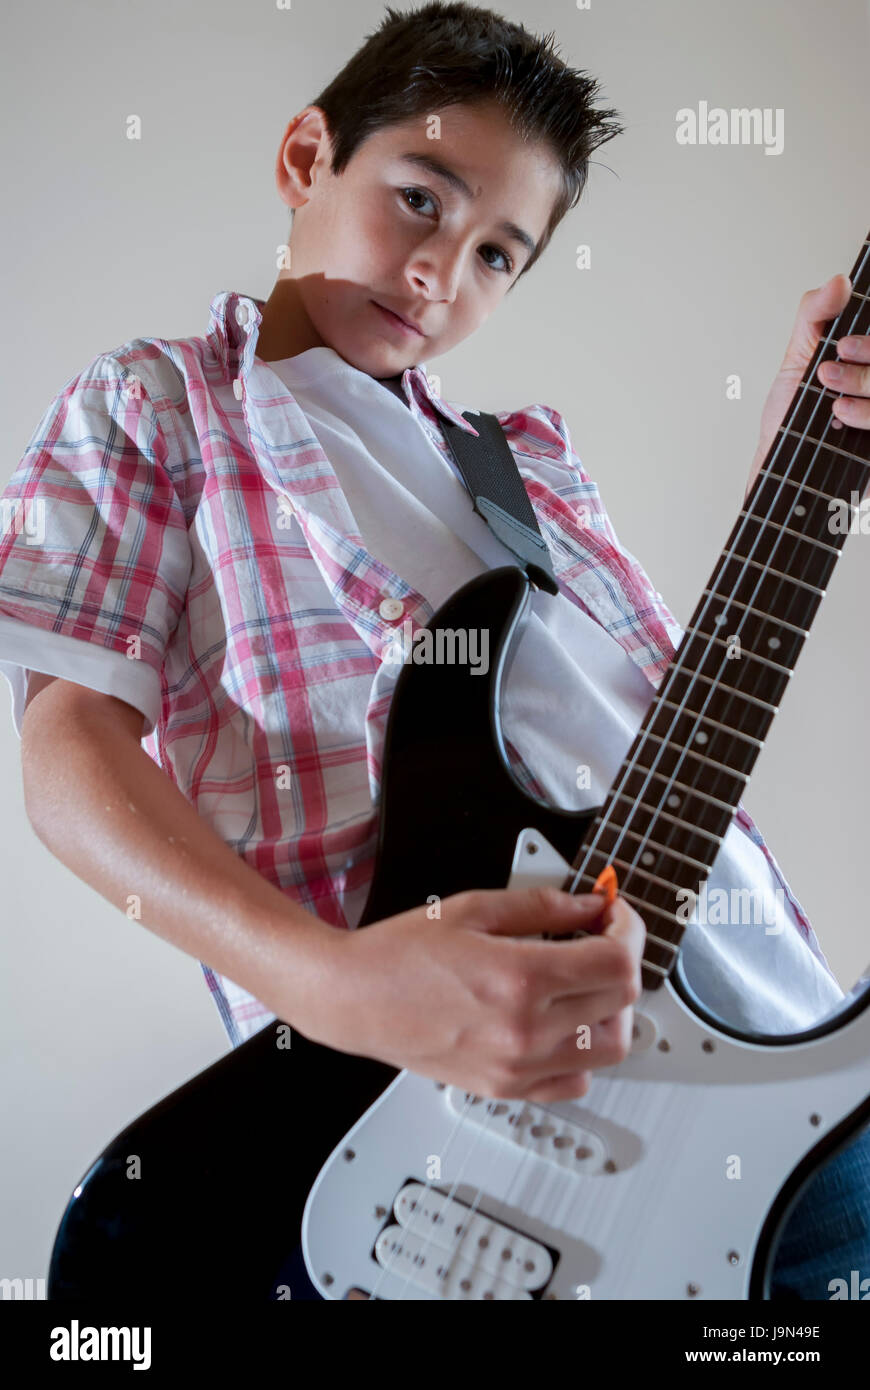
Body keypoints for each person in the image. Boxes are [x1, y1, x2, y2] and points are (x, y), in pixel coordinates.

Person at [2, 1, 869, 1301]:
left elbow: (657, 722)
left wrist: (805, 431)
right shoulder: (162, 402)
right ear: (306, 159)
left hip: (779, 1073)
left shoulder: (522, 466)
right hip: (453, 1137)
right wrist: (335, 985)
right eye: (419, 199)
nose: (438, 272)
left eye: (496, 254)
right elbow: (70, 743)